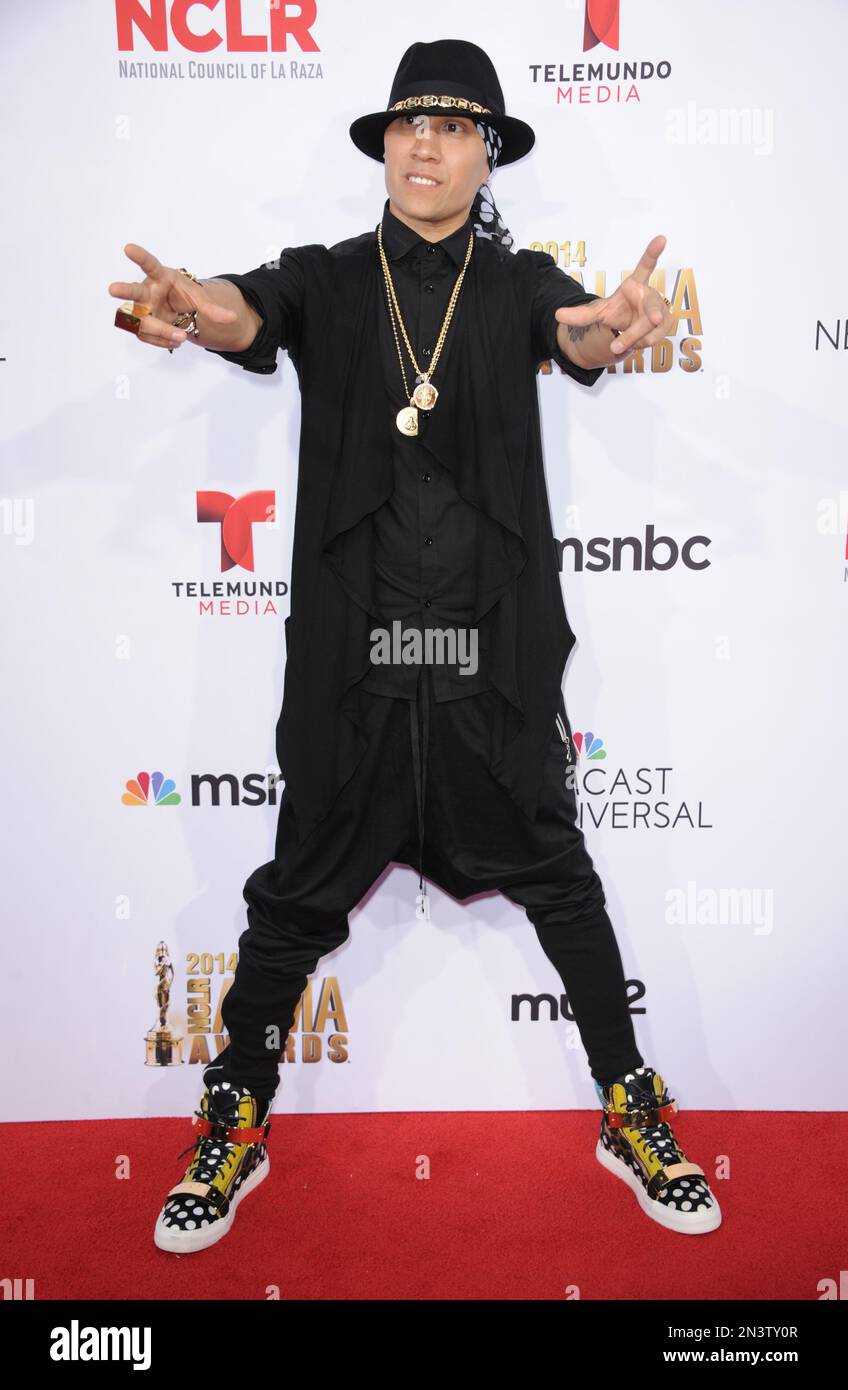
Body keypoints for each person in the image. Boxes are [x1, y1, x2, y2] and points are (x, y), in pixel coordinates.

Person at [109, 39, 721, 1253]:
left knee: (563, 882)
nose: (422, 144)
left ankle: (628, 1106)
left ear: (486, 151)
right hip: (353, 673)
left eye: (450, 126)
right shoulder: (329, 280)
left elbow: (581, 334)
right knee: (290, 904)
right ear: (383, 144)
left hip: (491, 666)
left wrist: (609, 327)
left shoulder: (519, 284)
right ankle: (234, 1117)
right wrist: (198, 309)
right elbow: (241, 312)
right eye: (405, 124)